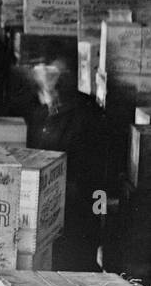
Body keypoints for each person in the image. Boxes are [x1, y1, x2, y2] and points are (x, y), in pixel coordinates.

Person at [24, 46, 116, 272]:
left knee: (75, 262)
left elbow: (98, 166)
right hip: (49, 205)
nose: (46, 73)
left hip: (75, 205)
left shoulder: (85, 110)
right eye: (40, 67)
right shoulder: (38, 110)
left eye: (53, 69)